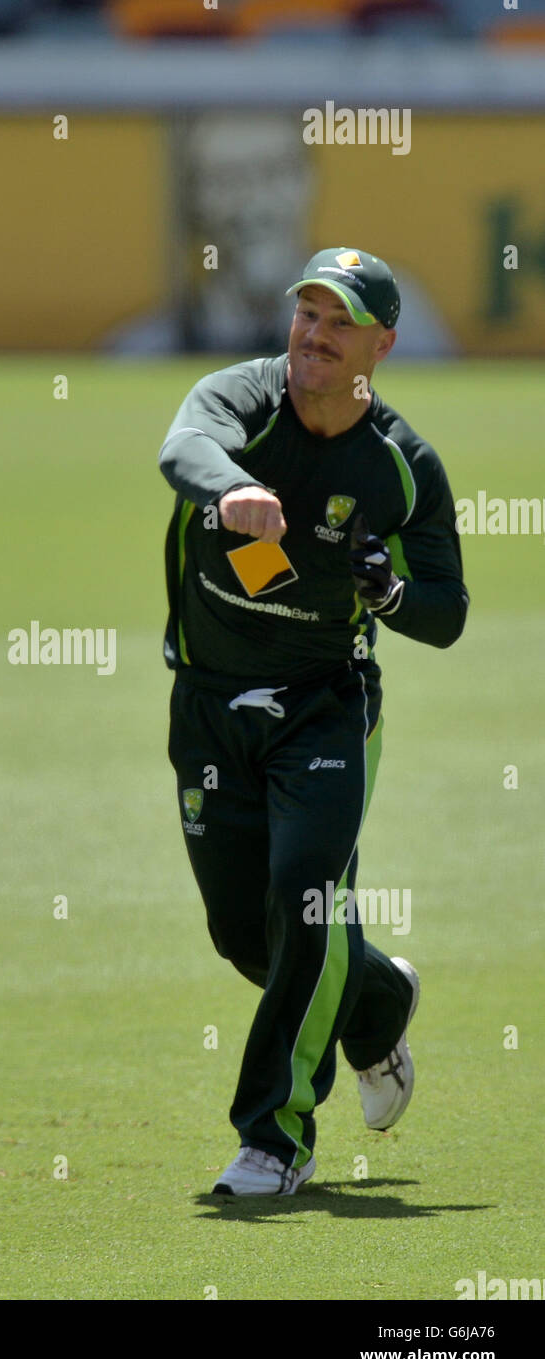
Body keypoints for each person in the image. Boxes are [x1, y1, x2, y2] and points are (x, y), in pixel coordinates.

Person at [159, 248, 468, 1196]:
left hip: (325, 710)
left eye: (339, 322)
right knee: (244, 934)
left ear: (382, 342)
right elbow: (183, 449)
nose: (314, 336)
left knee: (305, 896)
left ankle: (274, 1138)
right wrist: (232, 490)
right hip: (211, 705)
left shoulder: (402, 467)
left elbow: (446, 613)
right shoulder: (240, 400)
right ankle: (377, 1003)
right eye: (306, 315)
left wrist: (390, 591)